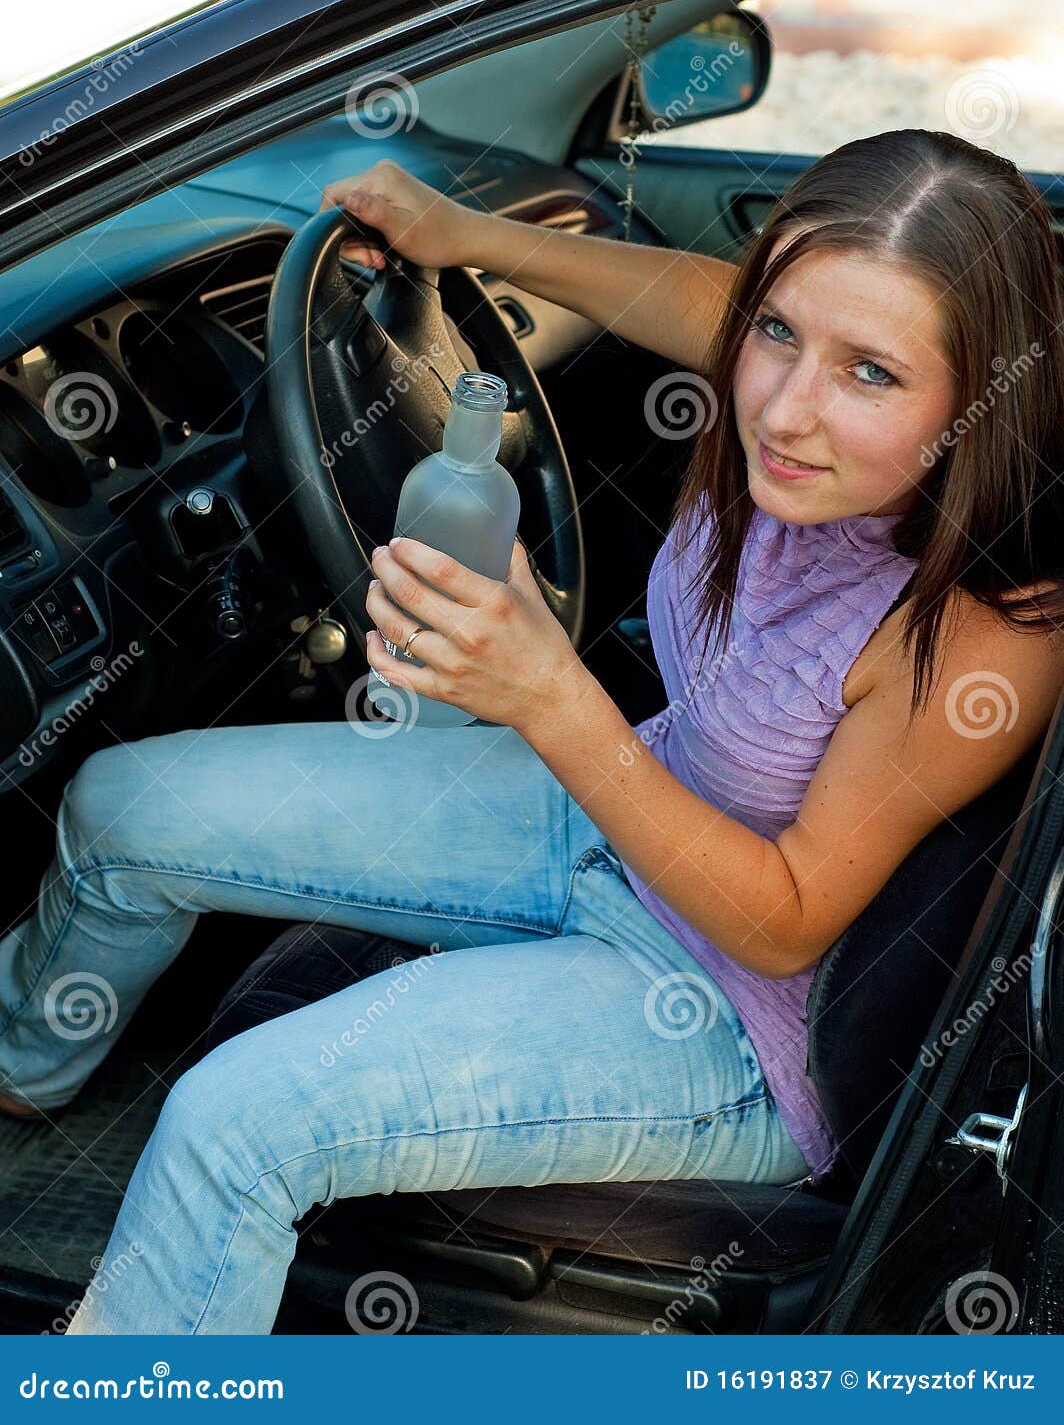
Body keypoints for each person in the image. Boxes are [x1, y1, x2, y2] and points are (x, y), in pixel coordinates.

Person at [2, 127, 1063, 1335]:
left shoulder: (990, 629)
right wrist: (462, 238)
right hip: (614, 806)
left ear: (980, 394)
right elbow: (703, 299)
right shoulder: (791, 389)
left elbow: (784, 923)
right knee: (119, 809)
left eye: (869, 373)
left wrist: (547, 692)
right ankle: (25, 1075)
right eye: (777, 333)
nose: (784, 409)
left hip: (726, 1009)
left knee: (233, 1124)